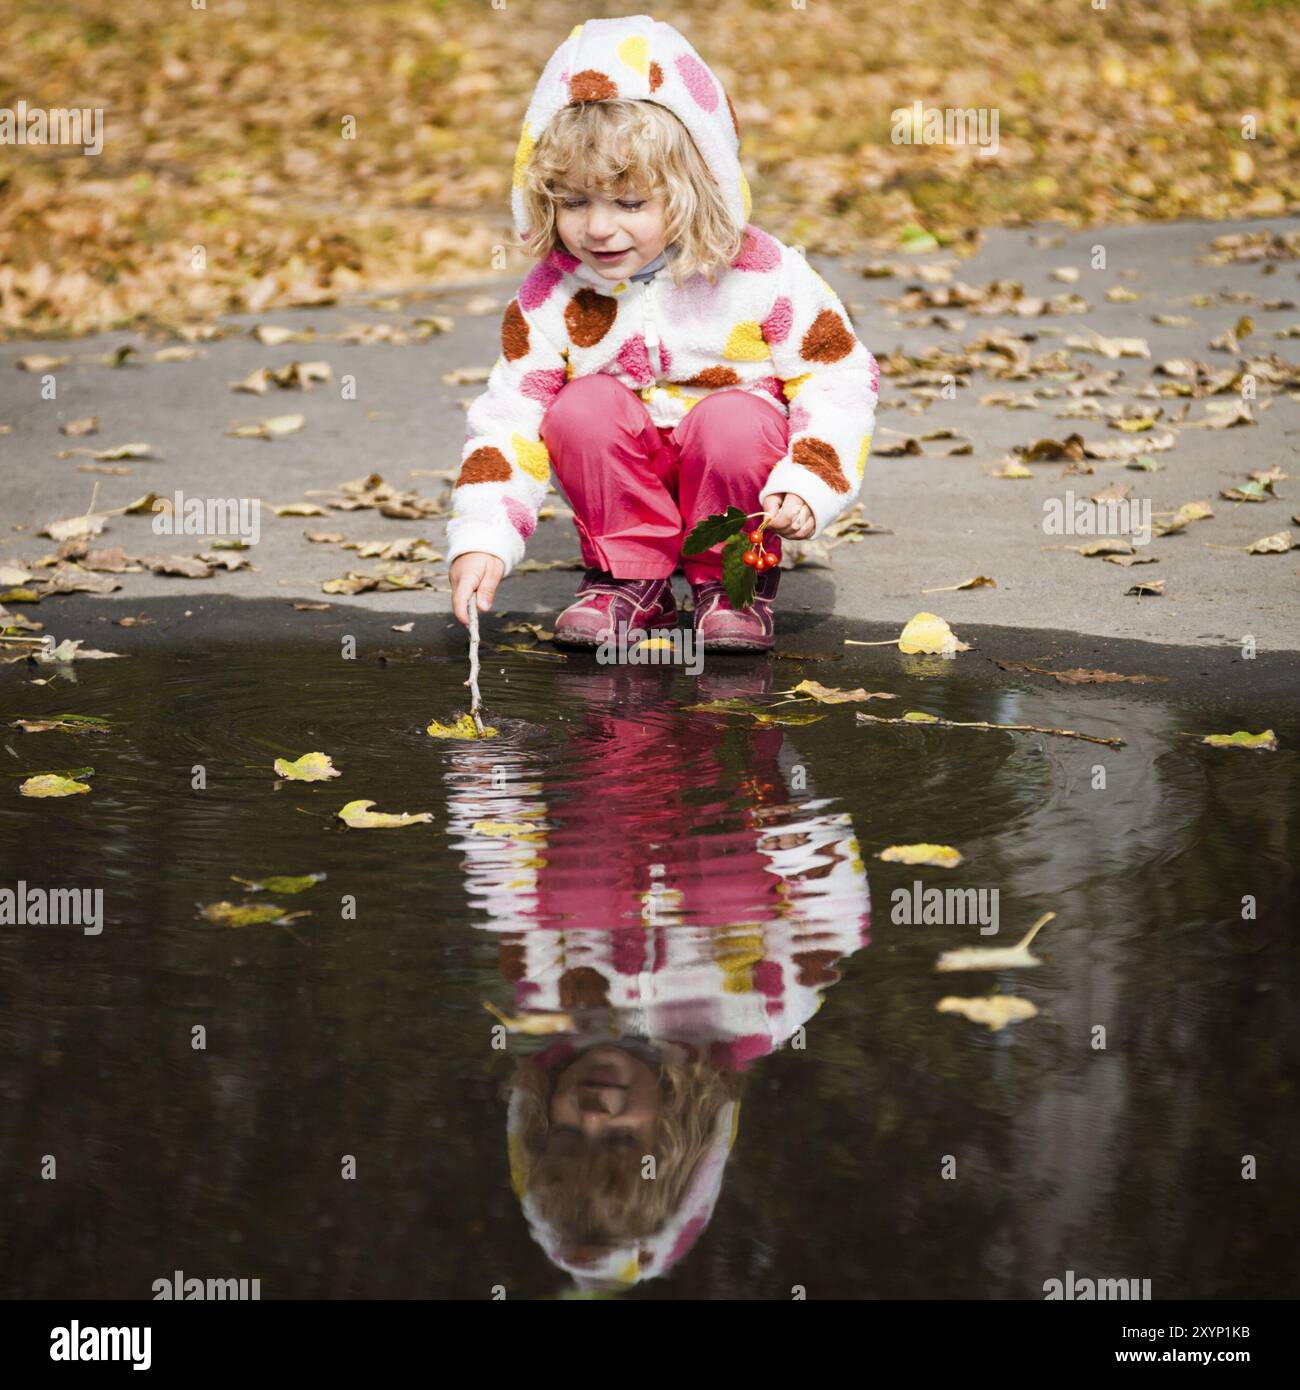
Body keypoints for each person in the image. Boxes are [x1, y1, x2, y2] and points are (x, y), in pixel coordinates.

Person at [446, 13, 879, 654]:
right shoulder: (554, 295)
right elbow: (510, 419)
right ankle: (629, 581)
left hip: (736, 487)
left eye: (628, 203)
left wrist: (810, 483)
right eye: (573, 202)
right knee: (580, 407)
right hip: (626, 480)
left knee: (733, 419)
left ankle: (732, 589)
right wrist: (483, 537)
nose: (597, 229)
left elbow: (838, 375)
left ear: (691, 190)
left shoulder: (758, 273)